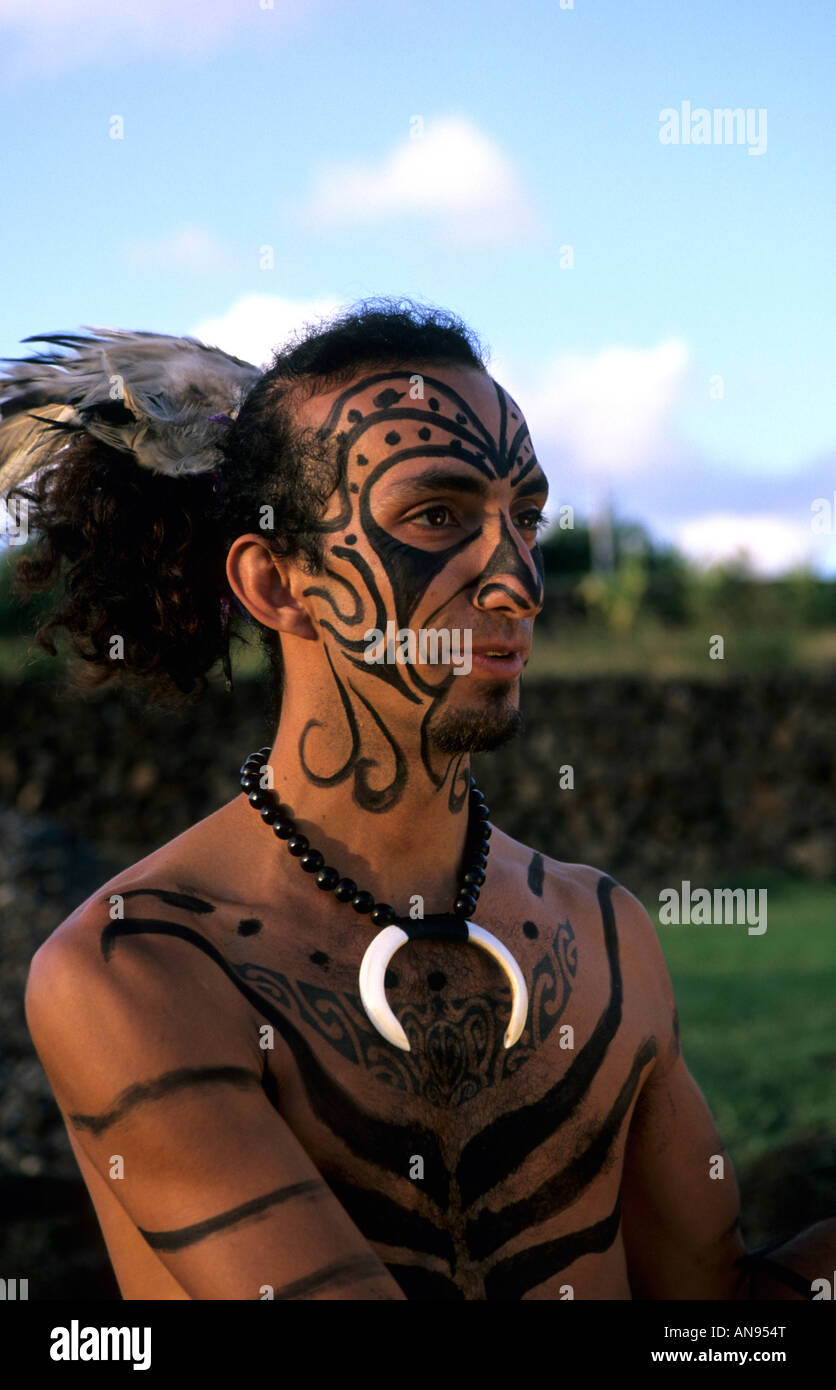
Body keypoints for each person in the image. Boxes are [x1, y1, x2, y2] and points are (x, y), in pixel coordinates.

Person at [3, 299, 832, 1300]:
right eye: (436, 514)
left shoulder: (605, 933)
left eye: (522, 516)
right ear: (275, 582)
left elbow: (713, 1315)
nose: (517, 576)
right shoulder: (142, 969)